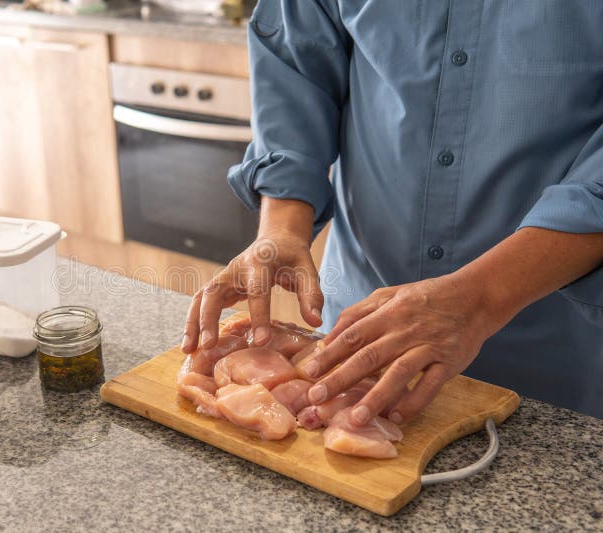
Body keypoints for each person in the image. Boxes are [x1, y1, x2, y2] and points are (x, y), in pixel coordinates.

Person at [181, 0, 603, 422]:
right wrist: (282, 228)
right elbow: (295, 67)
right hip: (353, 342)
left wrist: (482, 297)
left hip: (551, 364)